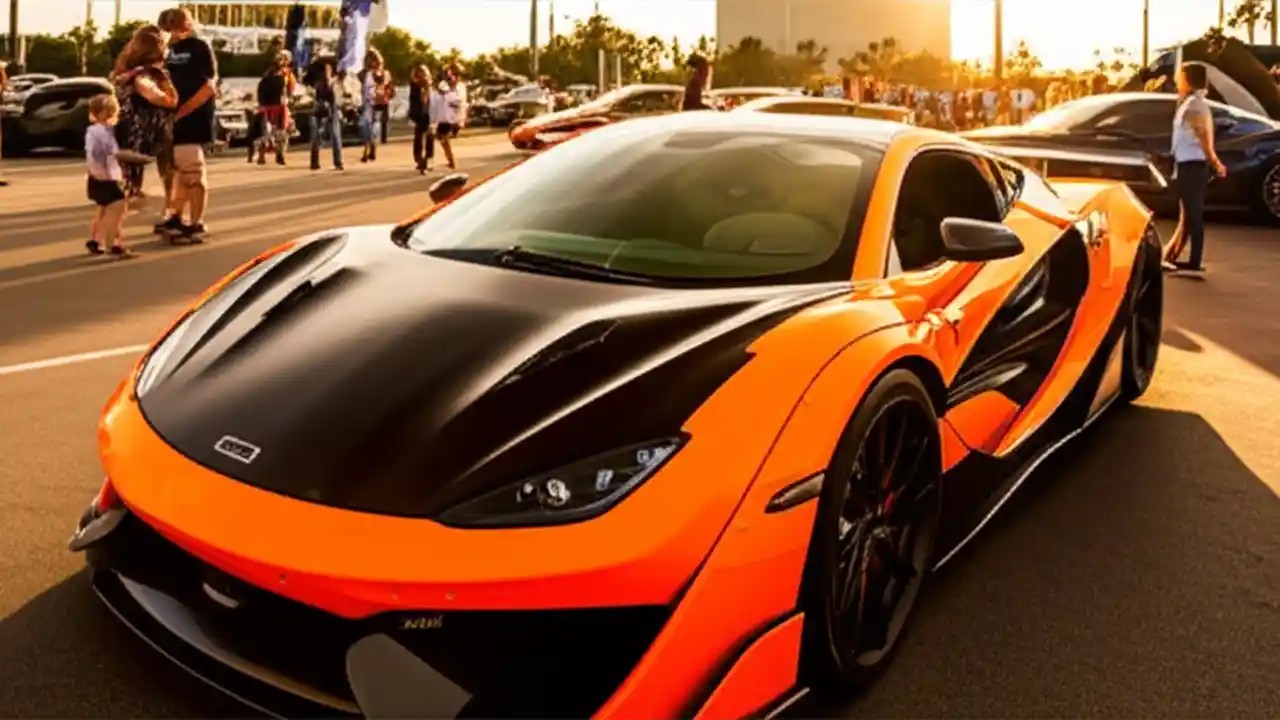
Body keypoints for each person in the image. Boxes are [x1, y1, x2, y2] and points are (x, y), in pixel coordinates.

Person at [1164, 63, 1227, 277]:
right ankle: (1171, 257)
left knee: (1193, 214)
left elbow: (1201, 133)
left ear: (1188, 79)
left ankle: (1194, 261)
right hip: (1188, 163)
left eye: (1180, 76)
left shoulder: (1193, 105)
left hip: (1192, 165)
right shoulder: (1193, 102)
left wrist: (1214, 162)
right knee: (1187, 215)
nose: (1176, 80)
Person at [161, 7, 218, 242]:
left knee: (193, 172)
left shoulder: (199, 46)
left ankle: (196, 223)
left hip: (192, 118)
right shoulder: (167, 50)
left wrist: (183, 112)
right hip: (173, 119)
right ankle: (176, 217)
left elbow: (209, 86)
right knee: (180, 173)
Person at [111, 26, 178, 204]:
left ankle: (118, 212)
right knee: (166, 165)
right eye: (165, 46)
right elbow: (157, 96)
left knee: (131, 179)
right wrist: (170, 96)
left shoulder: (125, 71)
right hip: (146, 131)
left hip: (126, 130)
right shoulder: (146, 73)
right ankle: (169, 203)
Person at [84, 95, 133, 258]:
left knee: (103, 209)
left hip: (97, 176)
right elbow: (101, 155)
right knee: (118, 207)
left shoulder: (94, 131)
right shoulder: (102, 133)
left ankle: (96, 240)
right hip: (104, 177)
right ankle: (112, 246)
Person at [253, 50, 296, 165]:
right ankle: (276, 154)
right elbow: (291, 90)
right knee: (276, 132)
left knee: (270, 132)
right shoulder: (284, 75)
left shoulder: (271, 75)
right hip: (276, 106)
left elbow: (290, 89)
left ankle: (274, 154)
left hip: (273, 106)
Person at [304, 57, 344, 171]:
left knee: (320, 135)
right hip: (327, 106)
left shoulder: (321, 79)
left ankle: (316, 162)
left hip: (326, 106)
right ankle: (336, 162)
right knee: (332, 134)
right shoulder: (330, 79)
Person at [357, 48, 388, 162]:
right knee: (367, 127)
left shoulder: (380, 74)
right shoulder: (364, 74)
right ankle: (369, 150)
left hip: (376, 103)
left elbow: (383, 88)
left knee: (372, 127)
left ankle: (369, 150)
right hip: (368, 103)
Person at [431, 65, 466, 170]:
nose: (450, 78)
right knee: (441, 138)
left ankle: (452, 161)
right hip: (444, 117)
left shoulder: (460, 87)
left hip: (454, 118)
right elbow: (437, 100)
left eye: (452, 75)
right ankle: (450, 160)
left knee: (444, 138)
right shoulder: (444, 86)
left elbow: (459, 101)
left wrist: (446, 95)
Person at [409, 64, 434, 174]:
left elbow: (430, 100)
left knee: (429, 137)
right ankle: (419, 160)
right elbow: (415, 102)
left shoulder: (431, 86)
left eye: (423, 73)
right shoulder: (414, 86)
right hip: (419, 115)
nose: (422, 76)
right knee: (418, 137)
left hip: (429, 114)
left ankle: (428, 159)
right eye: (419, 74)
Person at [372, 63, 395, 145]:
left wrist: (390, 93)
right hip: (374, 99)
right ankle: (373, 137)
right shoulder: (372, 73)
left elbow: (390, 85)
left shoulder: (386, 73)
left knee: (384, 119)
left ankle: (383, 138)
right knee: (373, 120)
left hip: (384, 99)